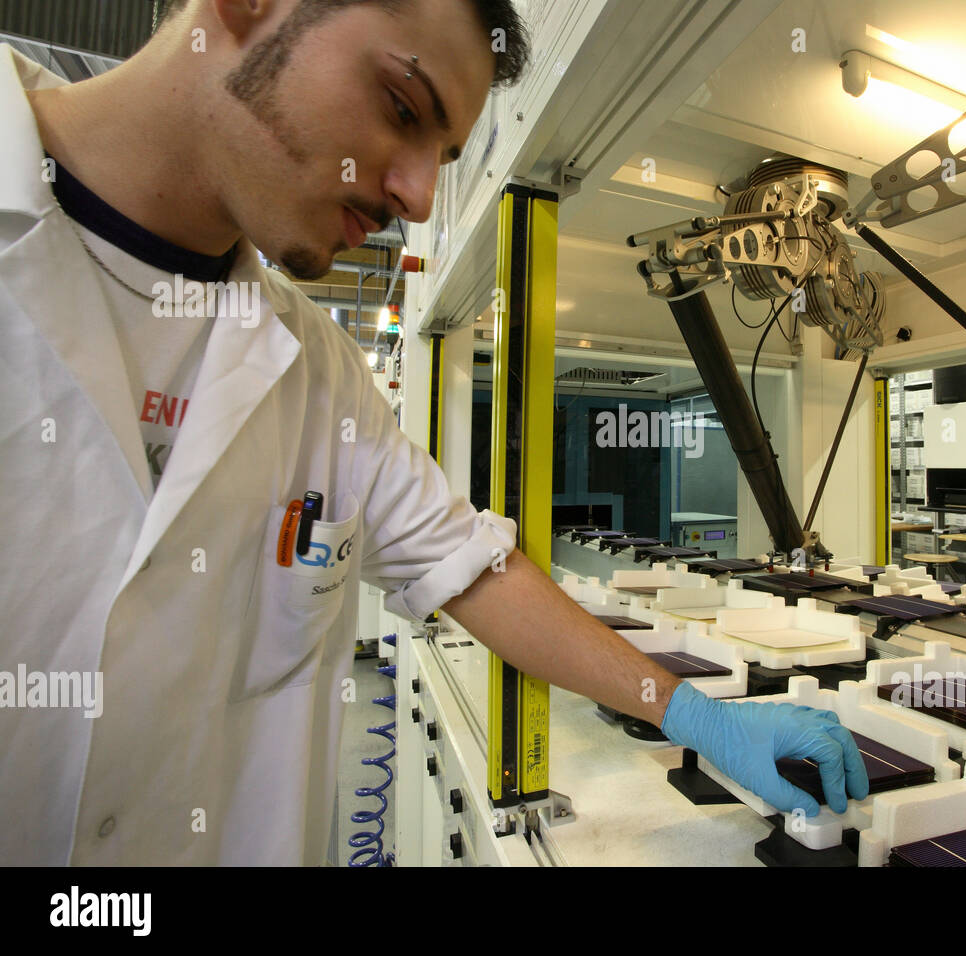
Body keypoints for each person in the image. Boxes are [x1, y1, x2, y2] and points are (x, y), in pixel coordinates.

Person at [0, 0, 868, 865]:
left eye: (442, 159)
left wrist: (696, 714)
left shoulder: (316, 372)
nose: (417, 198)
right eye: (403, 108)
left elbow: (471, 571)